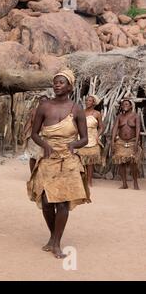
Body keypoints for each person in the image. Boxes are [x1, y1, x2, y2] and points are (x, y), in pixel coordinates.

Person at [27, 69, 91, 259]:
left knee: (62, 202)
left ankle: (56, 242)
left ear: (70, 86)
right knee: (46, 202)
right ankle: (53, 237)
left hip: (68, 160)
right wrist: (45, 144)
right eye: (55, 82)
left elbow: (85, 138)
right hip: (48, 159)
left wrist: (74, 144)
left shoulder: (76, 109)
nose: (57, 85)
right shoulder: (44, 107)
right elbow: (35, 133)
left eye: (61, 82)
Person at [111, 99, 142, 190]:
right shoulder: (119, 117)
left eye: (127, 104)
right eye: (123, 104)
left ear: (131, 106)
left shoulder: (135, 116)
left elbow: (138, 129)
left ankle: (135, 183)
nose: (125, 105)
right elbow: (115, 129)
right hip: (121, 141)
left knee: (133, 162)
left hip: (132, 141)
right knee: (121, 162)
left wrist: (137, 142)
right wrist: (113, 142)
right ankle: (124, 184)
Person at [77, 95, 104, 187]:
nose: (87, 102)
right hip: (80, 138)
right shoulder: (81, 113)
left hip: (92, 139)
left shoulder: (97, 114)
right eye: (86, 100)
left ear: (94, 103)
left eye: (89, 100)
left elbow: (101, 127)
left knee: (90, 161)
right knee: (80, 160)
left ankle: (89, 181)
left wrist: (97, 135)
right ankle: (81, 180)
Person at [23, 94, 49, 172]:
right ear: (39, 102)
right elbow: (29, 122)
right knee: (33, 156)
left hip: (44, 136)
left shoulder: (50, 112)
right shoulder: (34, 111)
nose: (43, 103)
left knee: (43, 156)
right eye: (41, 101)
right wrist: (24, 132)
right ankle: (32, 173)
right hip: (34, 136)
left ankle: (40, 173)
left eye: (45, 101)